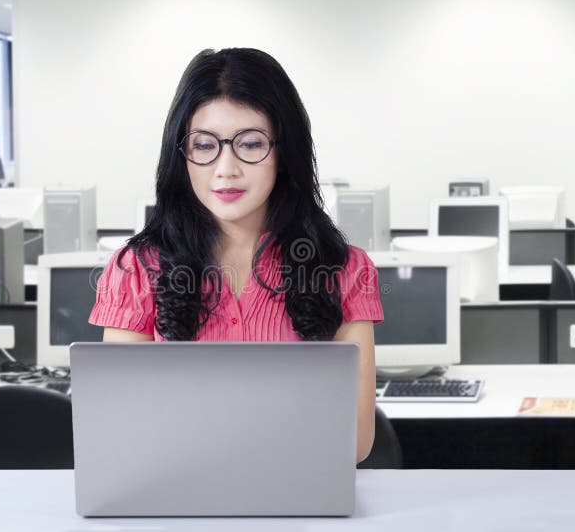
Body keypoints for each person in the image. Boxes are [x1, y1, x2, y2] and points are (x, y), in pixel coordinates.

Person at [89, 48, 383, 463]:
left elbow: (353, 443)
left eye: (249, 144)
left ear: (284, 153)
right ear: (182, 154)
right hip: (174, 507)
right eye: (204, 145)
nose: (225, 168)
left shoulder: (345, 270)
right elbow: (118, 430)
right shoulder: (136, 270)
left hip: (301, 506)